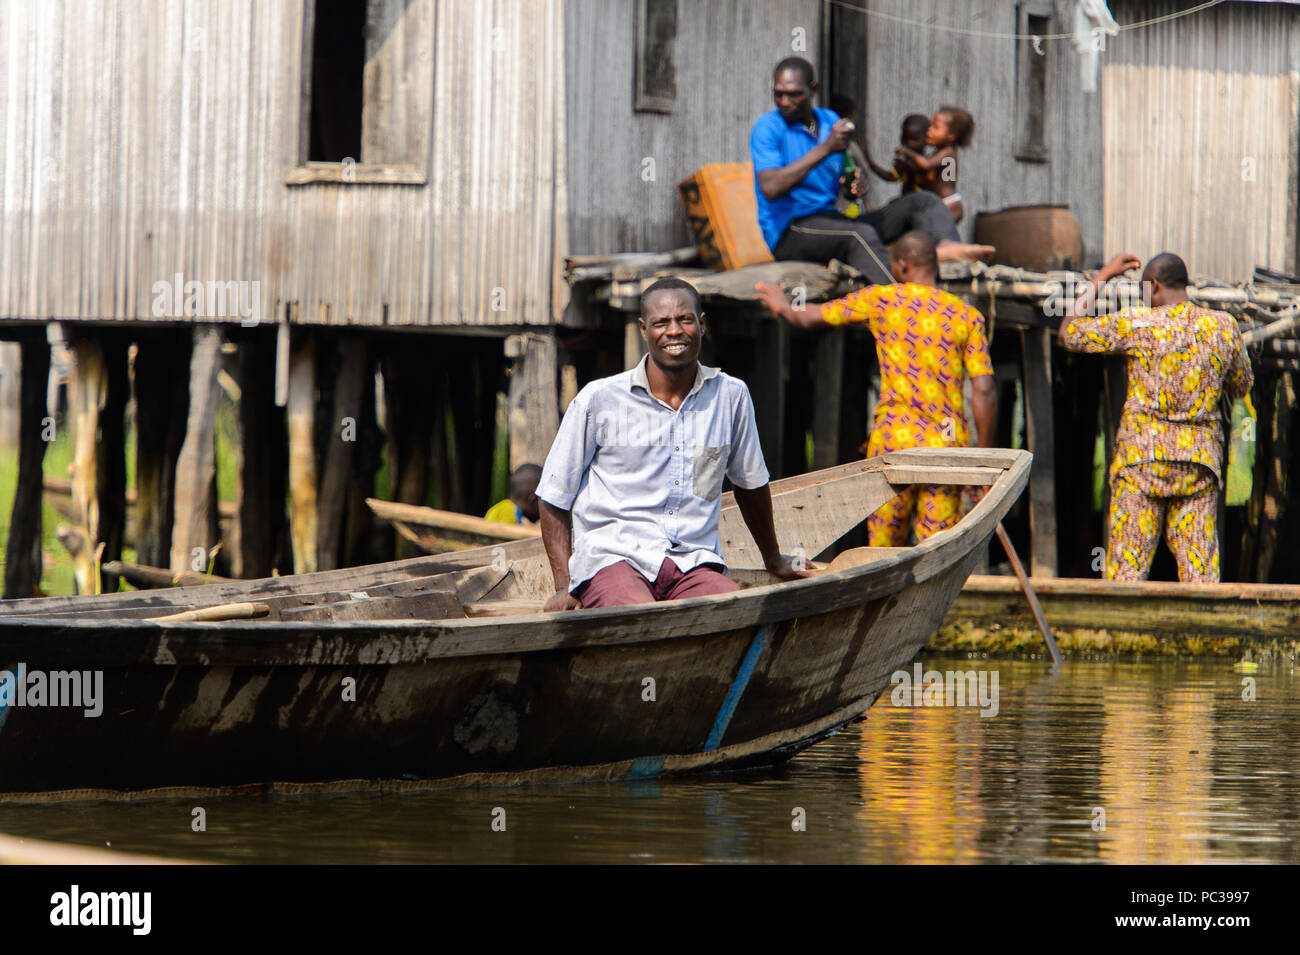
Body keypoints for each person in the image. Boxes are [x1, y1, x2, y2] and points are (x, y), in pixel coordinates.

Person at [537, 277, 809, 611]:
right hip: (614, 559)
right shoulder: (599, 399)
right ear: (643, 329)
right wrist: (564, 586)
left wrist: (773, 559)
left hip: (693, 562)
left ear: (702, 324)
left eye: (684, 319)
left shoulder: (730, 395)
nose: (674, 331)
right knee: (639, 616)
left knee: (733, 610)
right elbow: (553, 496)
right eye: (661, 322)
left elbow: (750, 485)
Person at [755, 231, 997, 546]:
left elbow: (813, 317)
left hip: (894, 445)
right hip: (946, 450)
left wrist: (784, 305)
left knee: (883, 549)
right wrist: (981, 459)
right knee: (937, 550)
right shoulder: (966, 315)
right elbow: (985, 389)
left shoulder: (883, 299)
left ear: (903, 266)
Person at [1058, 252, 1253, 583]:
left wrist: (1103, 275)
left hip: (1141, 464)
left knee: (1127, 572)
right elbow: (1241, 385)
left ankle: (1124, 631)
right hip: (1197, 464)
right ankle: (1202, 632)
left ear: (1156, 287)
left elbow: (1069, 332)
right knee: (1200, 574)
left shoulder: (1138, 323)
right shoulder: (1224, 327)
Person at [750, 58, 992, 286]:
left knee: (922, 201)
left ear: (813, 90)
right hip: (791, 230)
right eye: (778, 93)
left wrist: (852, 185)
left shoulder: (829, 121)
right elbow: (771, 188)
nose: (784, 101)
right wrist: (825, 148)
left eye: (794, 94)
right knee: (859, 235)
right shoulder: (768, 128)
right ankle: (904, 308)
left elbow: (842, 174)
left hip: (831, 220)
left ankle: (945, 249)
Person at [896, 106, 975, 223]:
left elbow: (926, 165)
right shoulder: (938, 153)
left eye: (936, 128)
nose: (929, 132)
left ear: (951, 135)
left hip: (948, 203)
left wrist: (908, 152)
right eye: (930, 126)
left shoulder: (948, 153)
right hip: (940, 203)